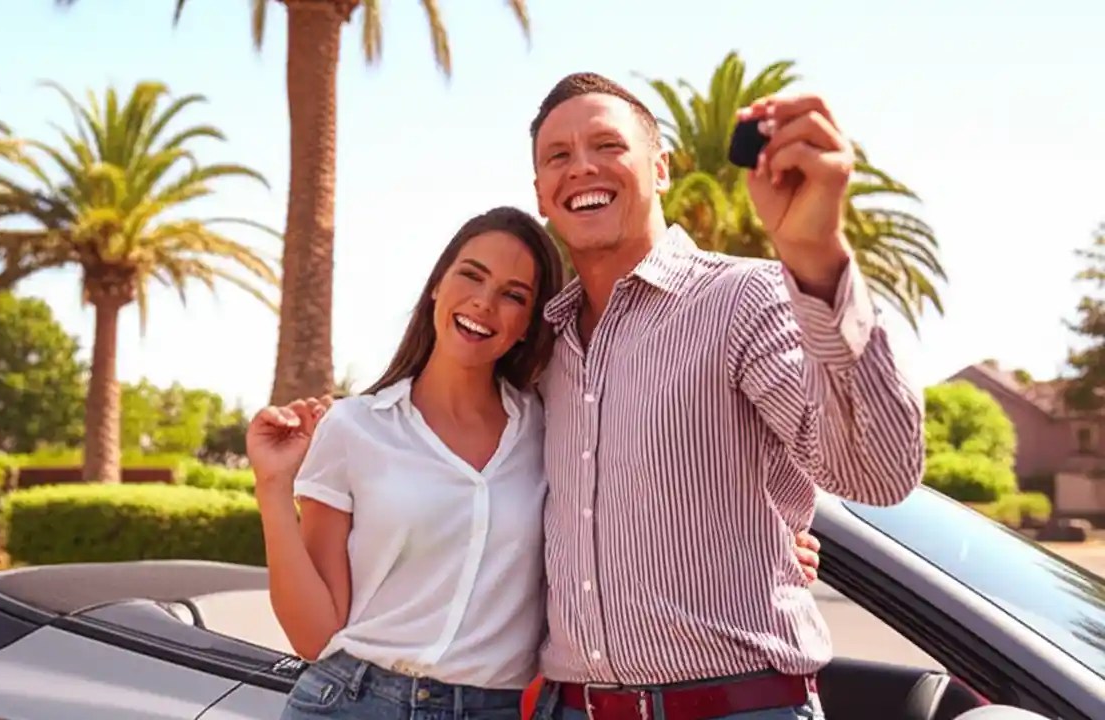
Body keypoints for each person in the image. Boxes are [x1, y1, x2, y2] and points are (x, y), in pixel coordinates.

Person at [245, 206, 824, 720]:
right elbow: (314, 633)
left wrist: (770, 541)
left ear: (529, 324)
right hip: (356, 700)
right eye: (471, 276)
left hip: (498, 706)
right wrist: (274, 489)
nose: (484, 303)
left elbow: (624, 514)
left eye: (514, 295)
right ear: (436, 289)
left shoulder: (555, 424)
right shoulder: (355, 427)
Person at [523, 73, 925, 720]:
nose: (582, 167)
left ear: (661, 168)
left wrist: (816, 256)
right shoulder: (537, 349)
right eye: (557, 156)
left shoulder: (746, 300)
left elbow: (875, 473)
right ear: (541, 193)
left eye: (608, 145)